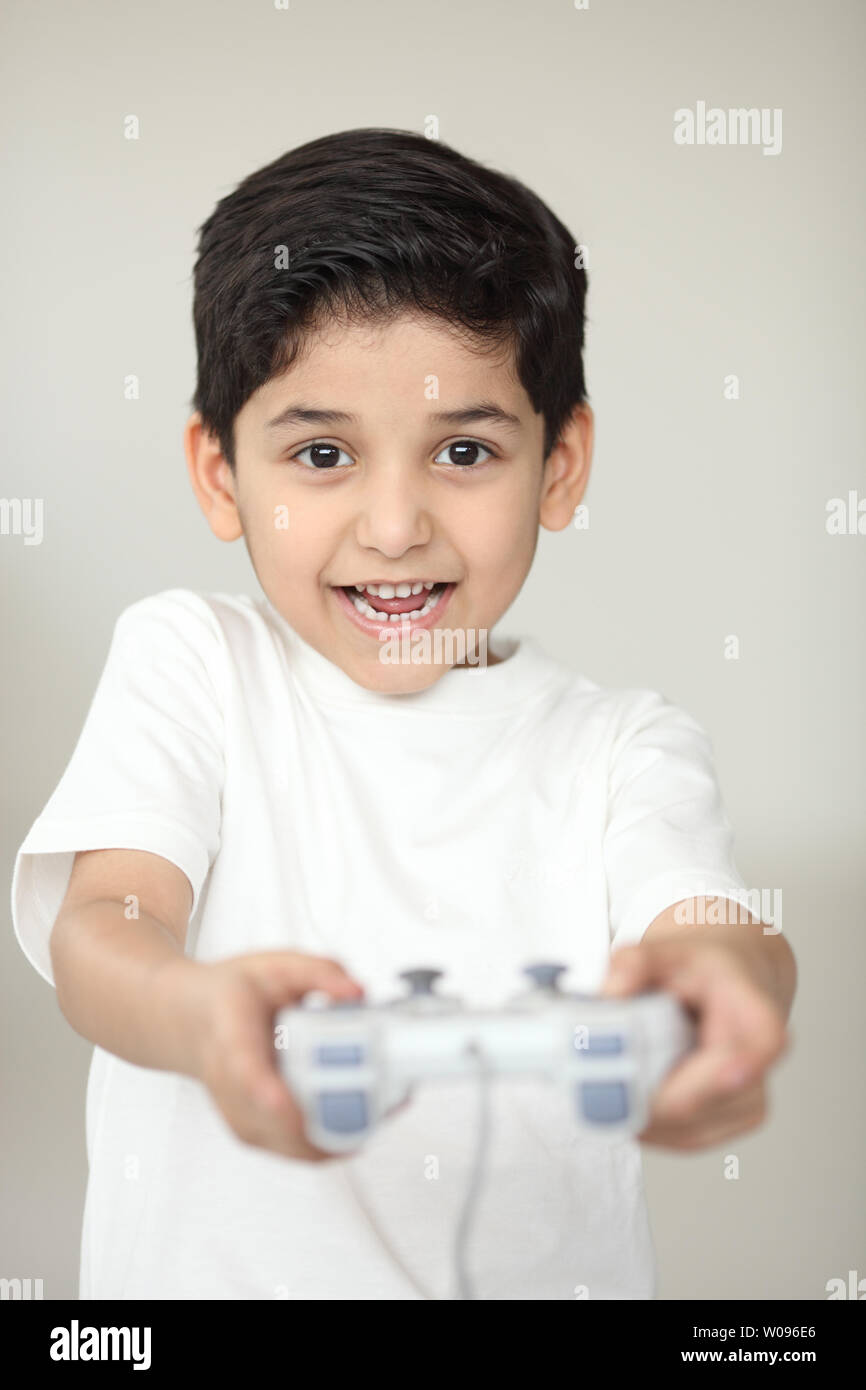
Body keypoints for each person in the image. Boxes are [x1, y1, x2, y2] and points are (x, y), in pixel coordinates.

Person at [11, 128, 796, 1300]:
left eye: (464, 450)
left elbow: (713, 931)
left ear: (560, 466)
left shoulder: (622, 747)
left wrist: (718, 999)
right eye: (322, 452)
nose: (392, 525)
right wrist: (196, 1011)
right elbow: (104, 929)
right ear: (222, 475)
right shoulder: (192, 665)